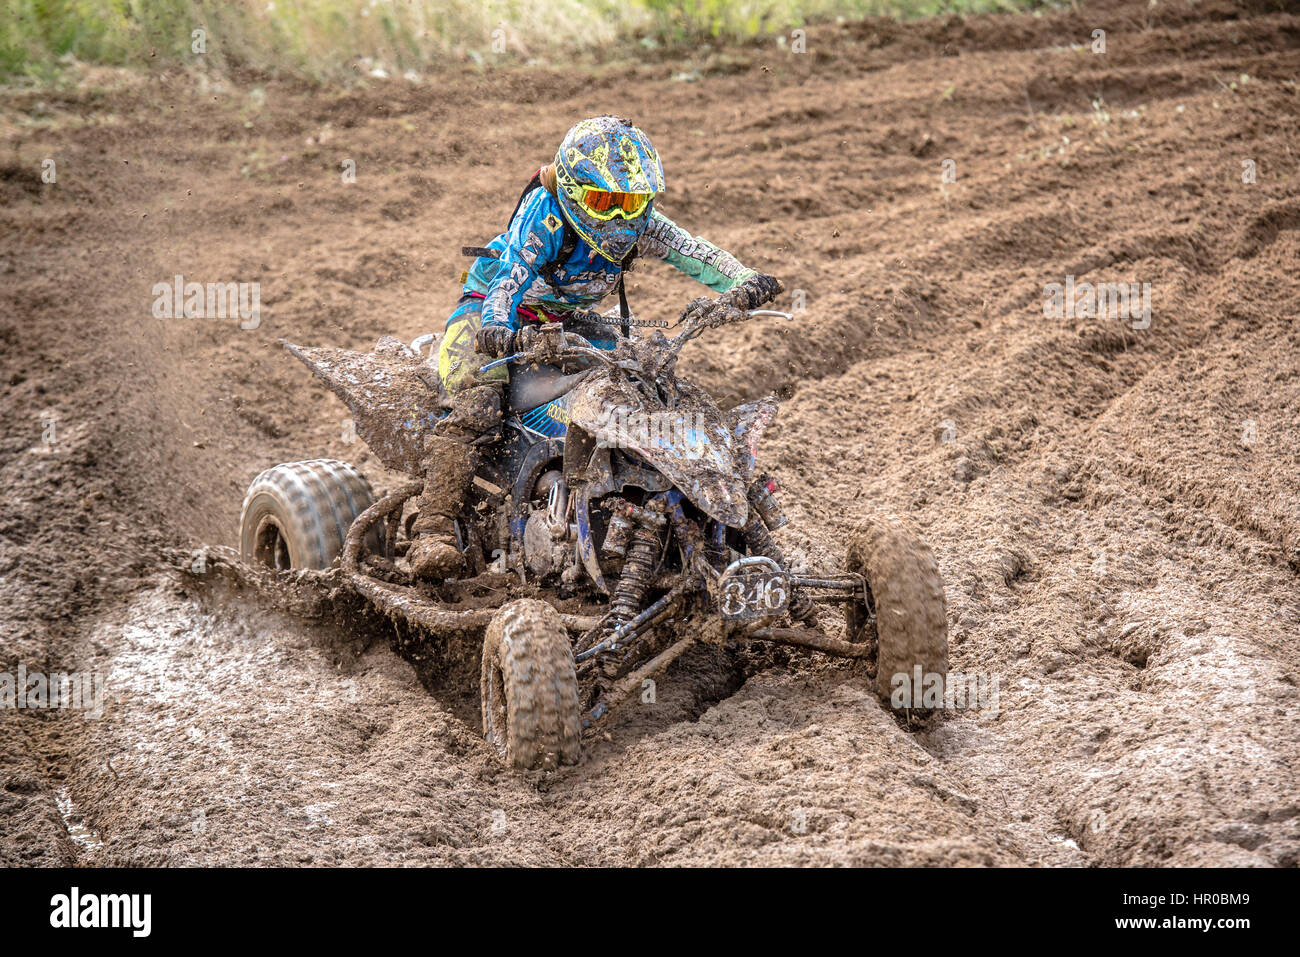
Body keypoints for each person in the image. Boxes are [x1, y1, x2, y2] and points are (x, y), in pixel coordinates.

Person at [408, 115, 782, 579]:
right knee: (479, 403)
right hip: (492, 311)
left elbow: (695, 251)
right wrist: (495, 327)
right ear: (572, 192)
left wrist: (745, 281)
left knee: (643, 379)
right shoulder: (543, 220)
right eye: (606, 201)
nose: (620, 218)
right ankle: (434, 527)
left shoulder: (641, 226)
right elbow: (509, 280)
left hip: (569, 320)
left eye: (632, 202)